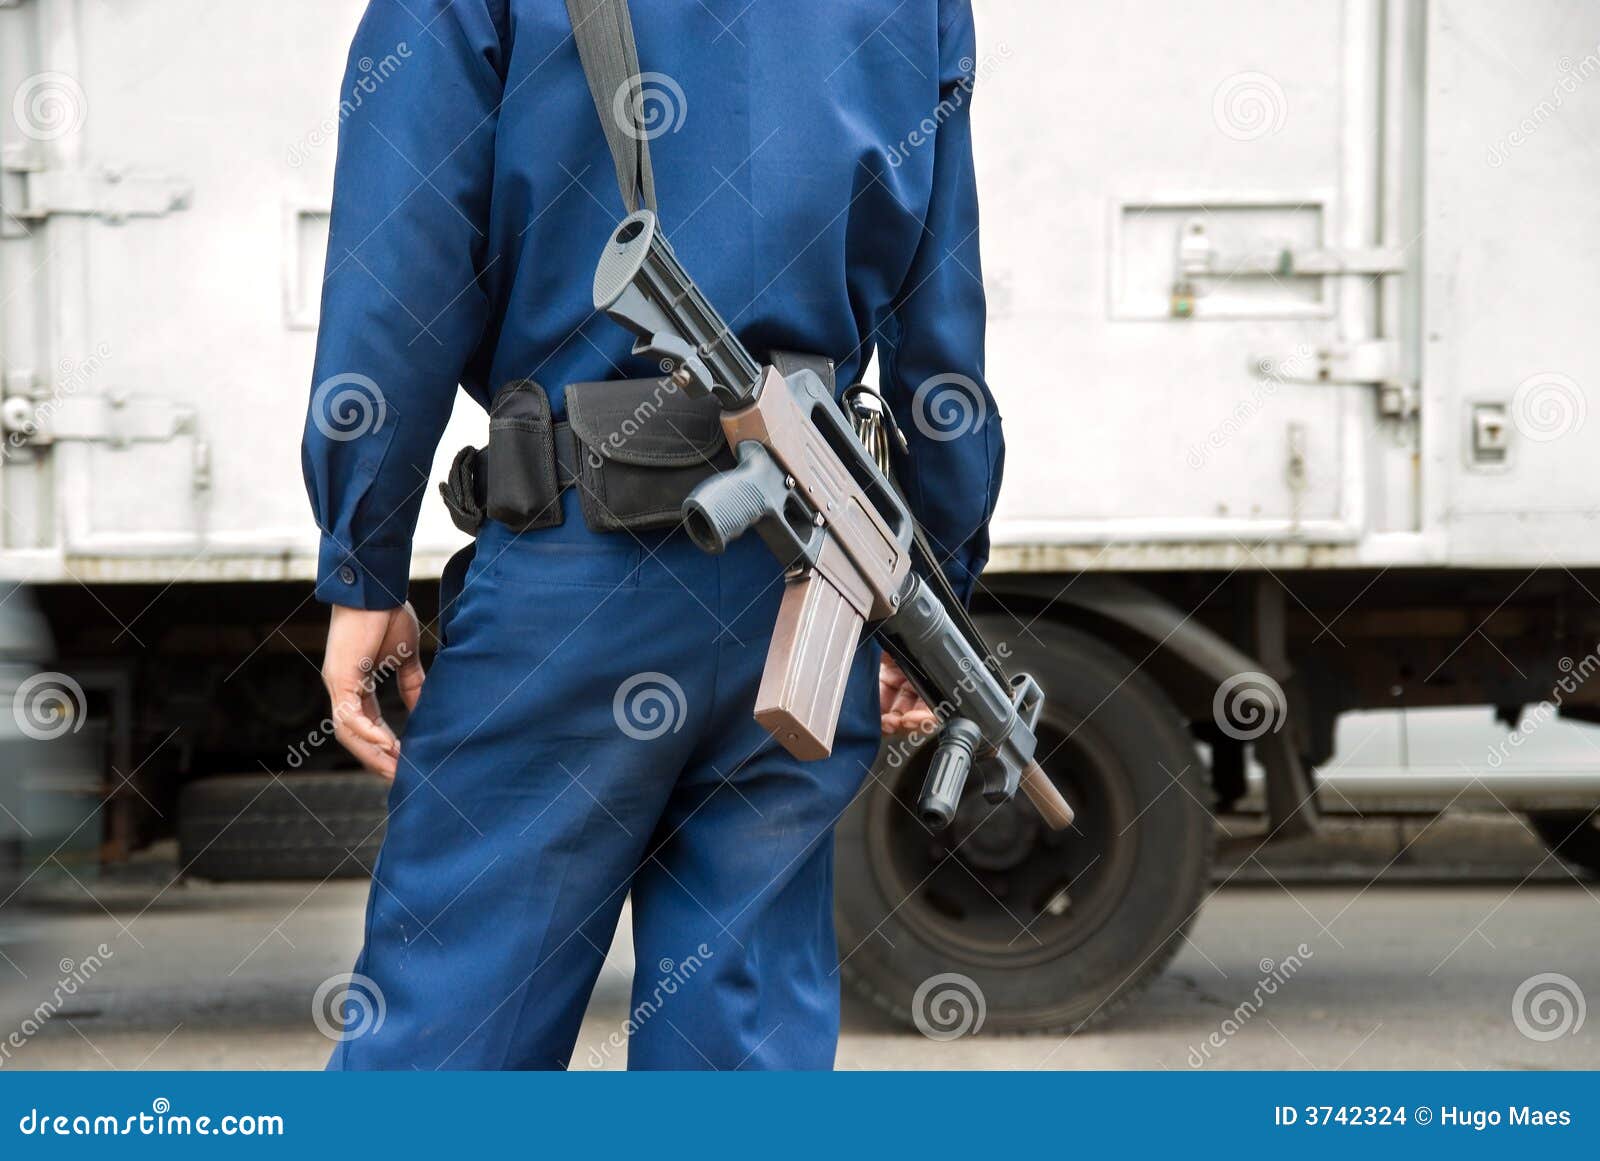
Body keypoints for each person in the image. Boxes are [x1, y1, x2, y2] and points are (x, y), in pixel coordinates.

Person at [302, 0, 1002, 1070]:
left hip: (574, 584)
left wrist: (364, 563)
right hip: (806, 582)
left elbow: (400, 274)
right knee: (741, 1042)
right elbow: (940, 333)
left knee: (450, 1040)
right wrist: (928, 585)